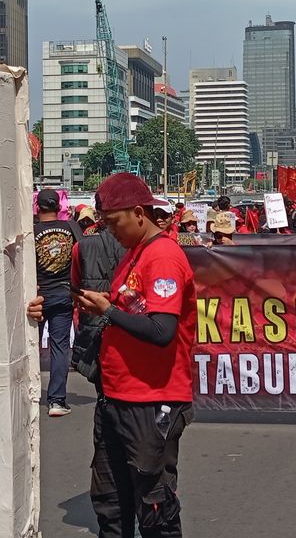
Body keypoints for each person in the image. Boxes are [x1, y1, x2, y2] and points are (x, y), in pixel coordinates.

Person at [70, 172, 197, 538]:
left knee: (154, 508)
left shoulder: (163, 256)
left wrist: (109, 311)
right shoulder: (134, 255)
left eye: (114, 222)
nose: (109, 231)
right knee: (110, 503)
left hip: (151, 399)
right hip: (117, 395)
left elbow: (161, 331)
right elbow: (134, 309)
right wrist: (104, 305)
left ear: (139, 213)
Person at [34, 189, 84, 416]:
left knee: (30, 347)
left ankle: (27, 394)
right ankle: (56, 401)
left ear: (38, 207)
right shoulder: (71, 228)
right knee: (60, 348)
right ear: (58, 207)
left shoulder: (32, 231)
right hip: (64, 293)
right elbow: (83, 253)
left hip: (37, 296)